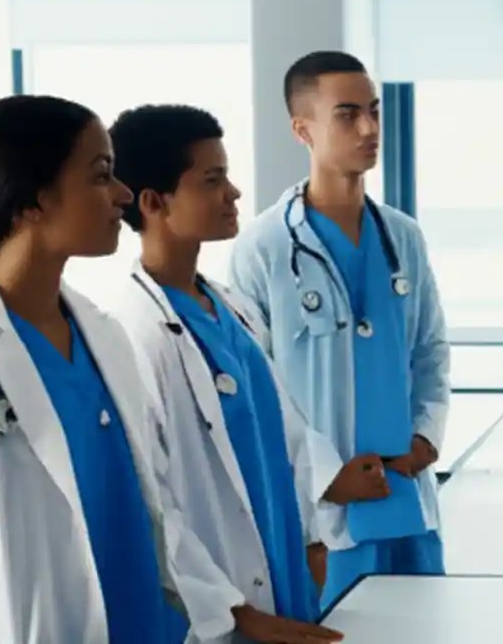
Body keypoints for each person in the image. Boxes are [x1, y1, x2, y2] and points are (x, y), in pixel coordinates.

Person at [0, 95, 245, 642]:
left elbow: (154, 505)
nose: (121, 195)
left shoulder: (104, 335)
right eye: (101, 175)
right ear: (33, 199)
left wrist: (231, 609)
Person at [108, 104, 365, 643]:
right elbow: (152, 504)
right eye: (213, 179)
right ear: (154, 202)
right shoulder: (136, 333)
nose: (234, 193)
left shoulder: (231, 310)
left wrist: (313, 539)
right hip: (225, 613)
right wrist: (238, 614)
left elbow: (284, 437)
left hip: (289, 583)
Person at [229, 51, 451, 610]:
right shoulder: (264, 248)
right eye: (348, 115)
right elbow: (257, 385)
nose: (370, 128)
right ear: (302, 129)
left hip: (406, 501)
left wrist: (427, 435)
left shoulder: (402, 236)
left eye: (374, 111)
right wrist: (327, 477)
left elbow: (430, 349)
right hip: (326, 516)